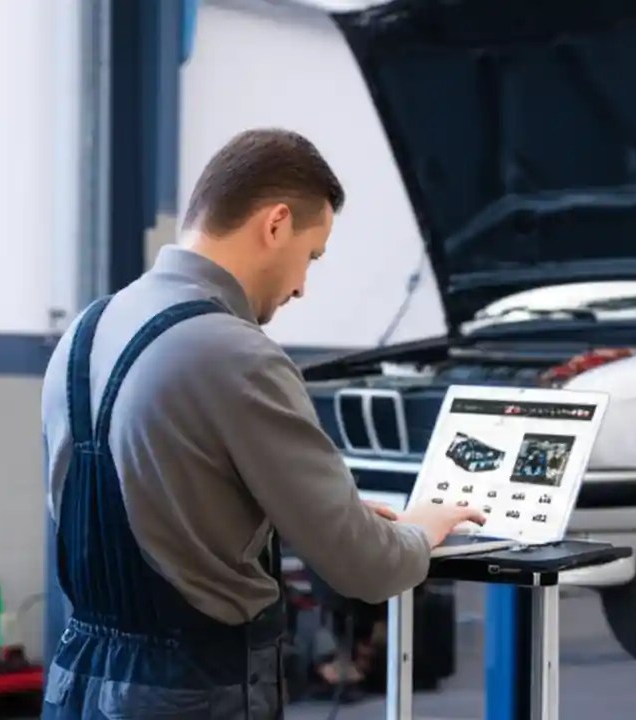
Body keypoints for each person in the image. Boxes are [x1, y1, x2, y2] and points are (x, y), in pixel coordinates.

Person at [40, 127, 484, 719]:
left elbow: (149, 511)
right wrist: (420, 530)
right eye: (312, 255)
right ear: (276, 225)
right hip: (193, 693)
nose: (302, 284)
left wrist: (314, 516)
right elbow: (367, 568)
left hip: (79, 684)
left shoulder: (84, 333)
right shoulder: (236, 353)